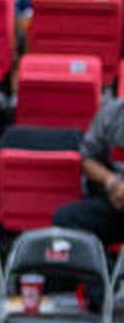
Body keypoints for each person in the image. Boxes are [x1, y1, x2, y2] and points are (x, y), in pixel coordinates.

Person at [54, 99, 124, 246]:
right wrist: (111, 182)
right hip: (117, 199)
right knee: (67, 217)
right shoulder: (113, 112)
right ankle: (104, 268)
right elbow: (87, 158)